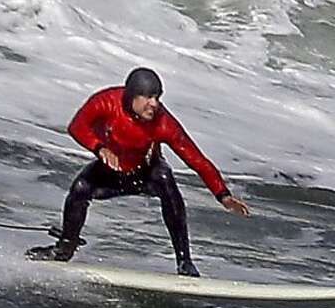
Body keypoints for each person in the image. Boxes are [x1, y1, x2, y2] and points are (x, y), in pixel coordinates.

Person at [27, 66, 250, 276]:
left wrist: (223, 196)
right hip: (111, 172)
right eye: (148, 97)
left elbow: (196, 159)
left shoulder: (163, 123)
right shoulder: (106, 102)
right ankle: (64, 249)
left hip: (145, 174)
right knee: (81, 188)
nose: (154, 104)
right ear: (132, 95)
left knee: (165, 179)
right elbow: (77, 126)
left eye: (157, 97)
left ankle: (184, 261)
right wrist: (99, 148)